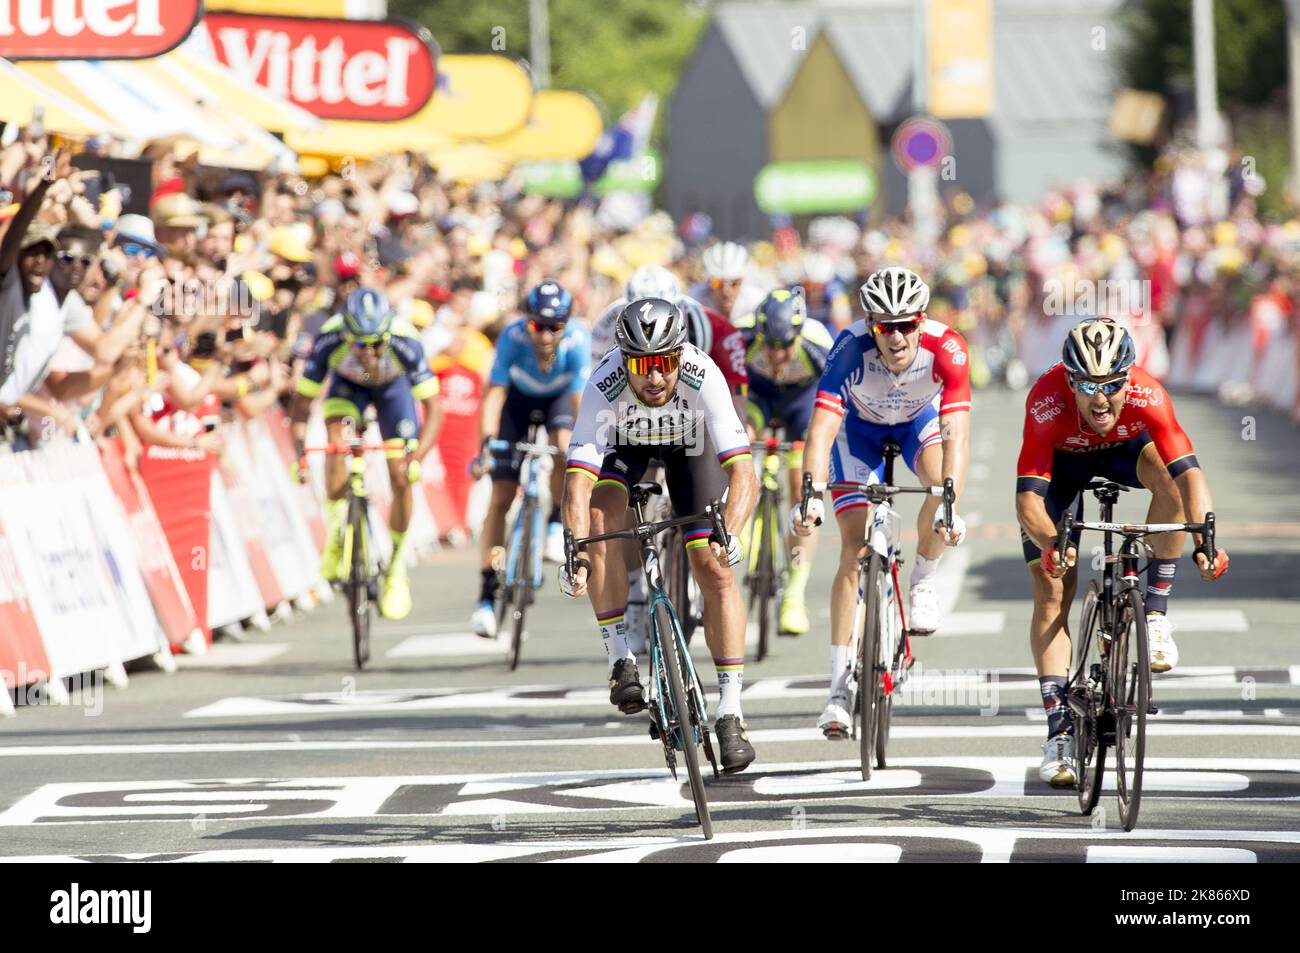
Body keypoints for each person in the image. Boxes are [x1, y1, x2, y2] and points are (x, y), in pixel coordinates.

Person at [1015, 317, 1230, 787]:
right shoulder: (1046, 401)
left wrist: (1204, 542)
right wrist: (1053, 544)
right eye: (1088, 384)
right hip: (1063, 468)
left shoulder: (1147, 394)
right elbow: (1028, 498)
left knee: (1171, 482)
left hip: (1125, 453)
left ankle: (1154, 613)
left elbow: (1191, 473)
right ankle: (1058, 732)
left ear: (1128, 377)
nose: (1100, 398)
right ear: (1069, 379)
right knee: (1051, 589)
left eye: (1112, 384)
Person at [559, 297, 760, 773]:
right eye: (644, 366)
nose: (655, 378)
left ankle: (731, 709)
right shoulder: (603, 383)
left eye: (665, 364)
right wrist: (575, 553)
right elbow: (577, 482)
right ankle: (620, 657)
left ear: (680, 355)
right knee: (602, 524)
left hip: (690, 448)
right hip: (625, 447)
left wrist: (729, 533)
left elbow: (745, 473)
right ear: (624, 360)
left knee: (715, 568)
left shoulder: (702, 373)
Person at [794, 267, 971, 738]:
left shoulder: (947, 348)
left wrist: (951, 498)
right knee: (854, 547)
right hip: (859, 432)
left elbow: (957, 435)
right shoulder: (849, 347)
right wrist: (809, 493)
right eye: (884, 326)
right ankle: (837, 689)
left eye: (906, 325)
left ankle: (922, 580)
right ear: (870, 324)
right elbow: (821, 430)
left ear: (922, 321)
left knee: (939, 484)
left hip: (917, 425)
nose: (895, 337)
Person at [590, 264, 749, 647]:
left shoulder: (711, 328)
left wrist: (735, 439)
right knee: (622, 499)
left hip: (692, 422)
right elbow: (596, 393)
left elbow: (734, 398)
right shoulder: (605, 326)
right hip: (630, 421)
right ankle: (632, 590)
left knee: (712, 486)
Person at [291, 287, 444, 620]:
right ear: (347, 335)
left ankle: (396, 568)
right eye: (361, 344)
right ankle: (336, 536)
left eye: (377, 343)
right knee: (336, 438)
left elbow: (434, 409)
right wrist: (300, 452)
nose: (370, 352)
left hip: (394, 392)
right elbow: (302, 405)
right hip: (350, 389)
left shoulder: (405, 341)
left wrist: (417, 457)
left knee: (400, 475)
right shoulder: (329, 339)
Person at [469, 281, 590, 638]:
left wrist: (582, 451)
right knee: (501, 496)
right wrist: (487, 445)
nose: (546, 335)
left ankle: (554, 518)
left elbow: (579, 403)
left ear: (567, 325)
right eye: (538, 325)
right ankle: (486, 595)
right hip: (516, 405)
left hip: (558, 403)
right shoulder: (512, 337)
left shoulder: (578, 341)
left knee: (566, 445)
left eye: (555, 327)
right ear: (527, 322)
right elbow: (494, 394)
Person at [734, 287, 835, 633]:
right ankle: (743, 518)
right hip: (759, 398)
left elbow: (836, 401)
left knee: (800, 491)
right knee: (741, 438)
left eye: (784, 346)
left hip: (801, 404)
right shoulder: (743, 337)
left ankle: (795, 590)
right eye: (770, 345)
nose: (777, 355)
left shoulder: (817, 345)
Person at [687, 241, 765, 324]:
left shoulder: (757, 302)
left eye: (734, 282)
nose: (726, 292)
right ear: (708, 282)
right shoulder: (692, 300)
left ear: (743, 281)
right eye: (717, 283)